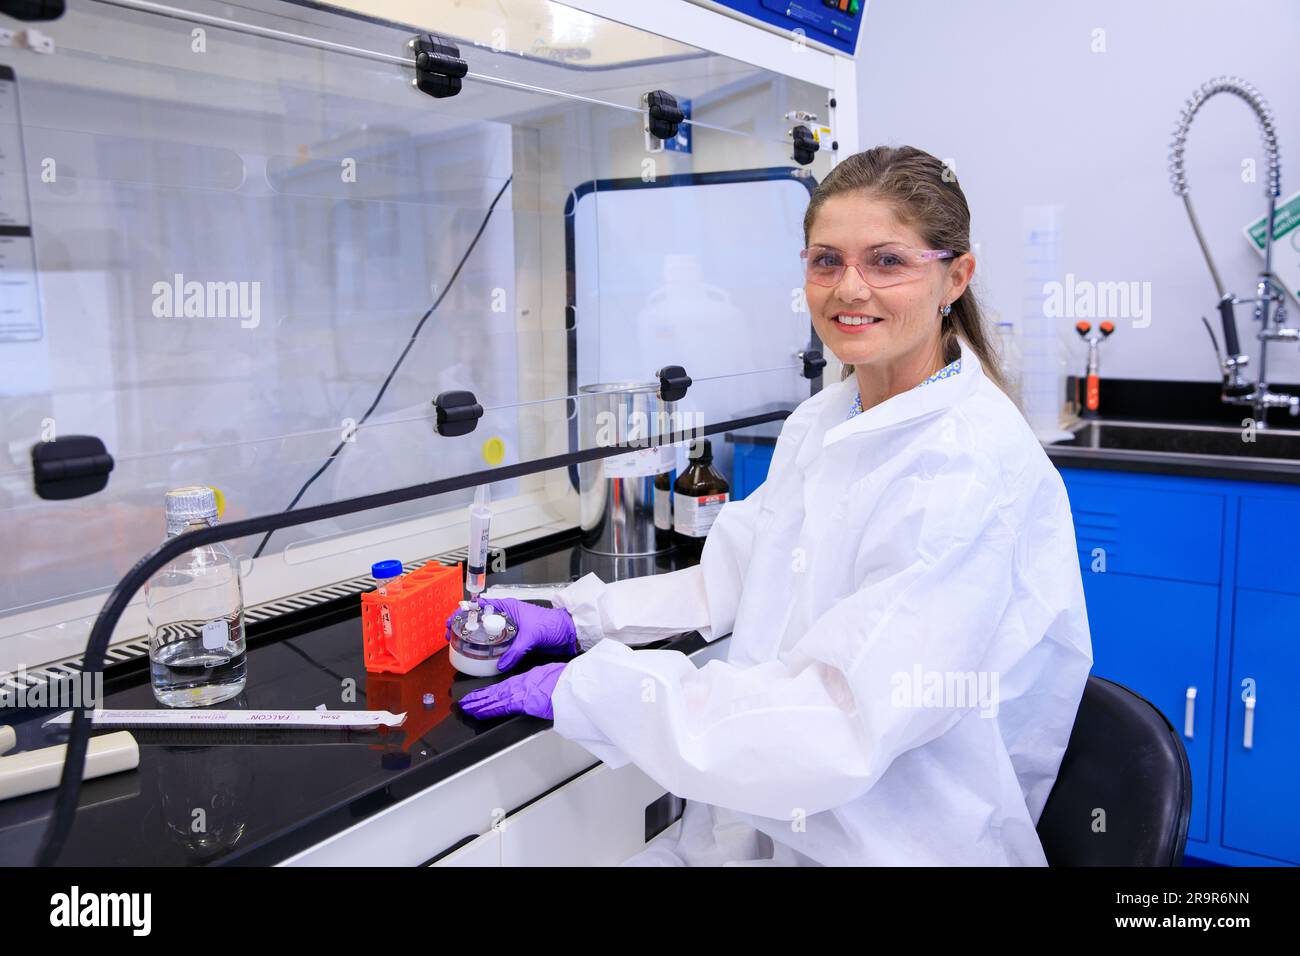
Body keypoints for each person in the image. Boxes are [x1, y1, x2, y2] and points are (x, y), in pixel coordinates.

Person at [457, 145, 1092, 866]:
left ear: (955, 276)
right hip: (778, 829)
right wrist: (579, 620)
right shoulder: (826, 419)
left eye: (887, 261)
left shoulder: (965, 466)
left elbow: (836, 726)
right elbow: (735, 572)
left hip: (899, 842)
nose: (850, 288)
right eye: (827, 261)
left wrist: (597, 690)